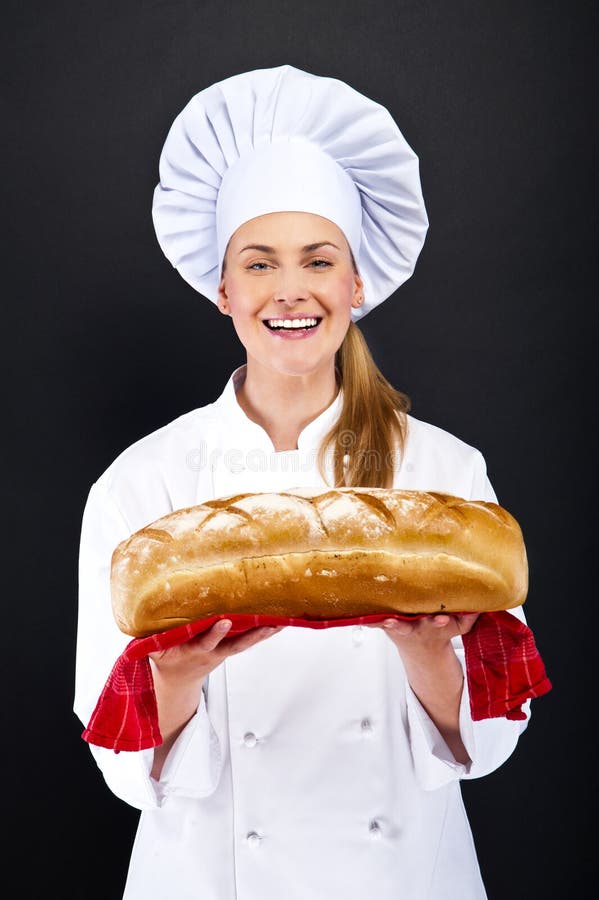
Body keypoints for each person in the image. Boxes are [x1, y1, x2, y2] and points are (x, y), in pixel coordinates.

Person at [74, 65, 534, 900]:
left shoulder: (444, 475)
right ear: (221, 288)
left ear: (356, 285)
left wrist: (430, 658)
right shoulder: (141, 485)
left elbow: (492, 743)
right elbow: (119, 764)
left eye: (318, 261)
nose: (290, 289)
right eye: (259, 263)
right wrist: (174, 679)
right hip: (209, 876)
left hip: (397, 878)